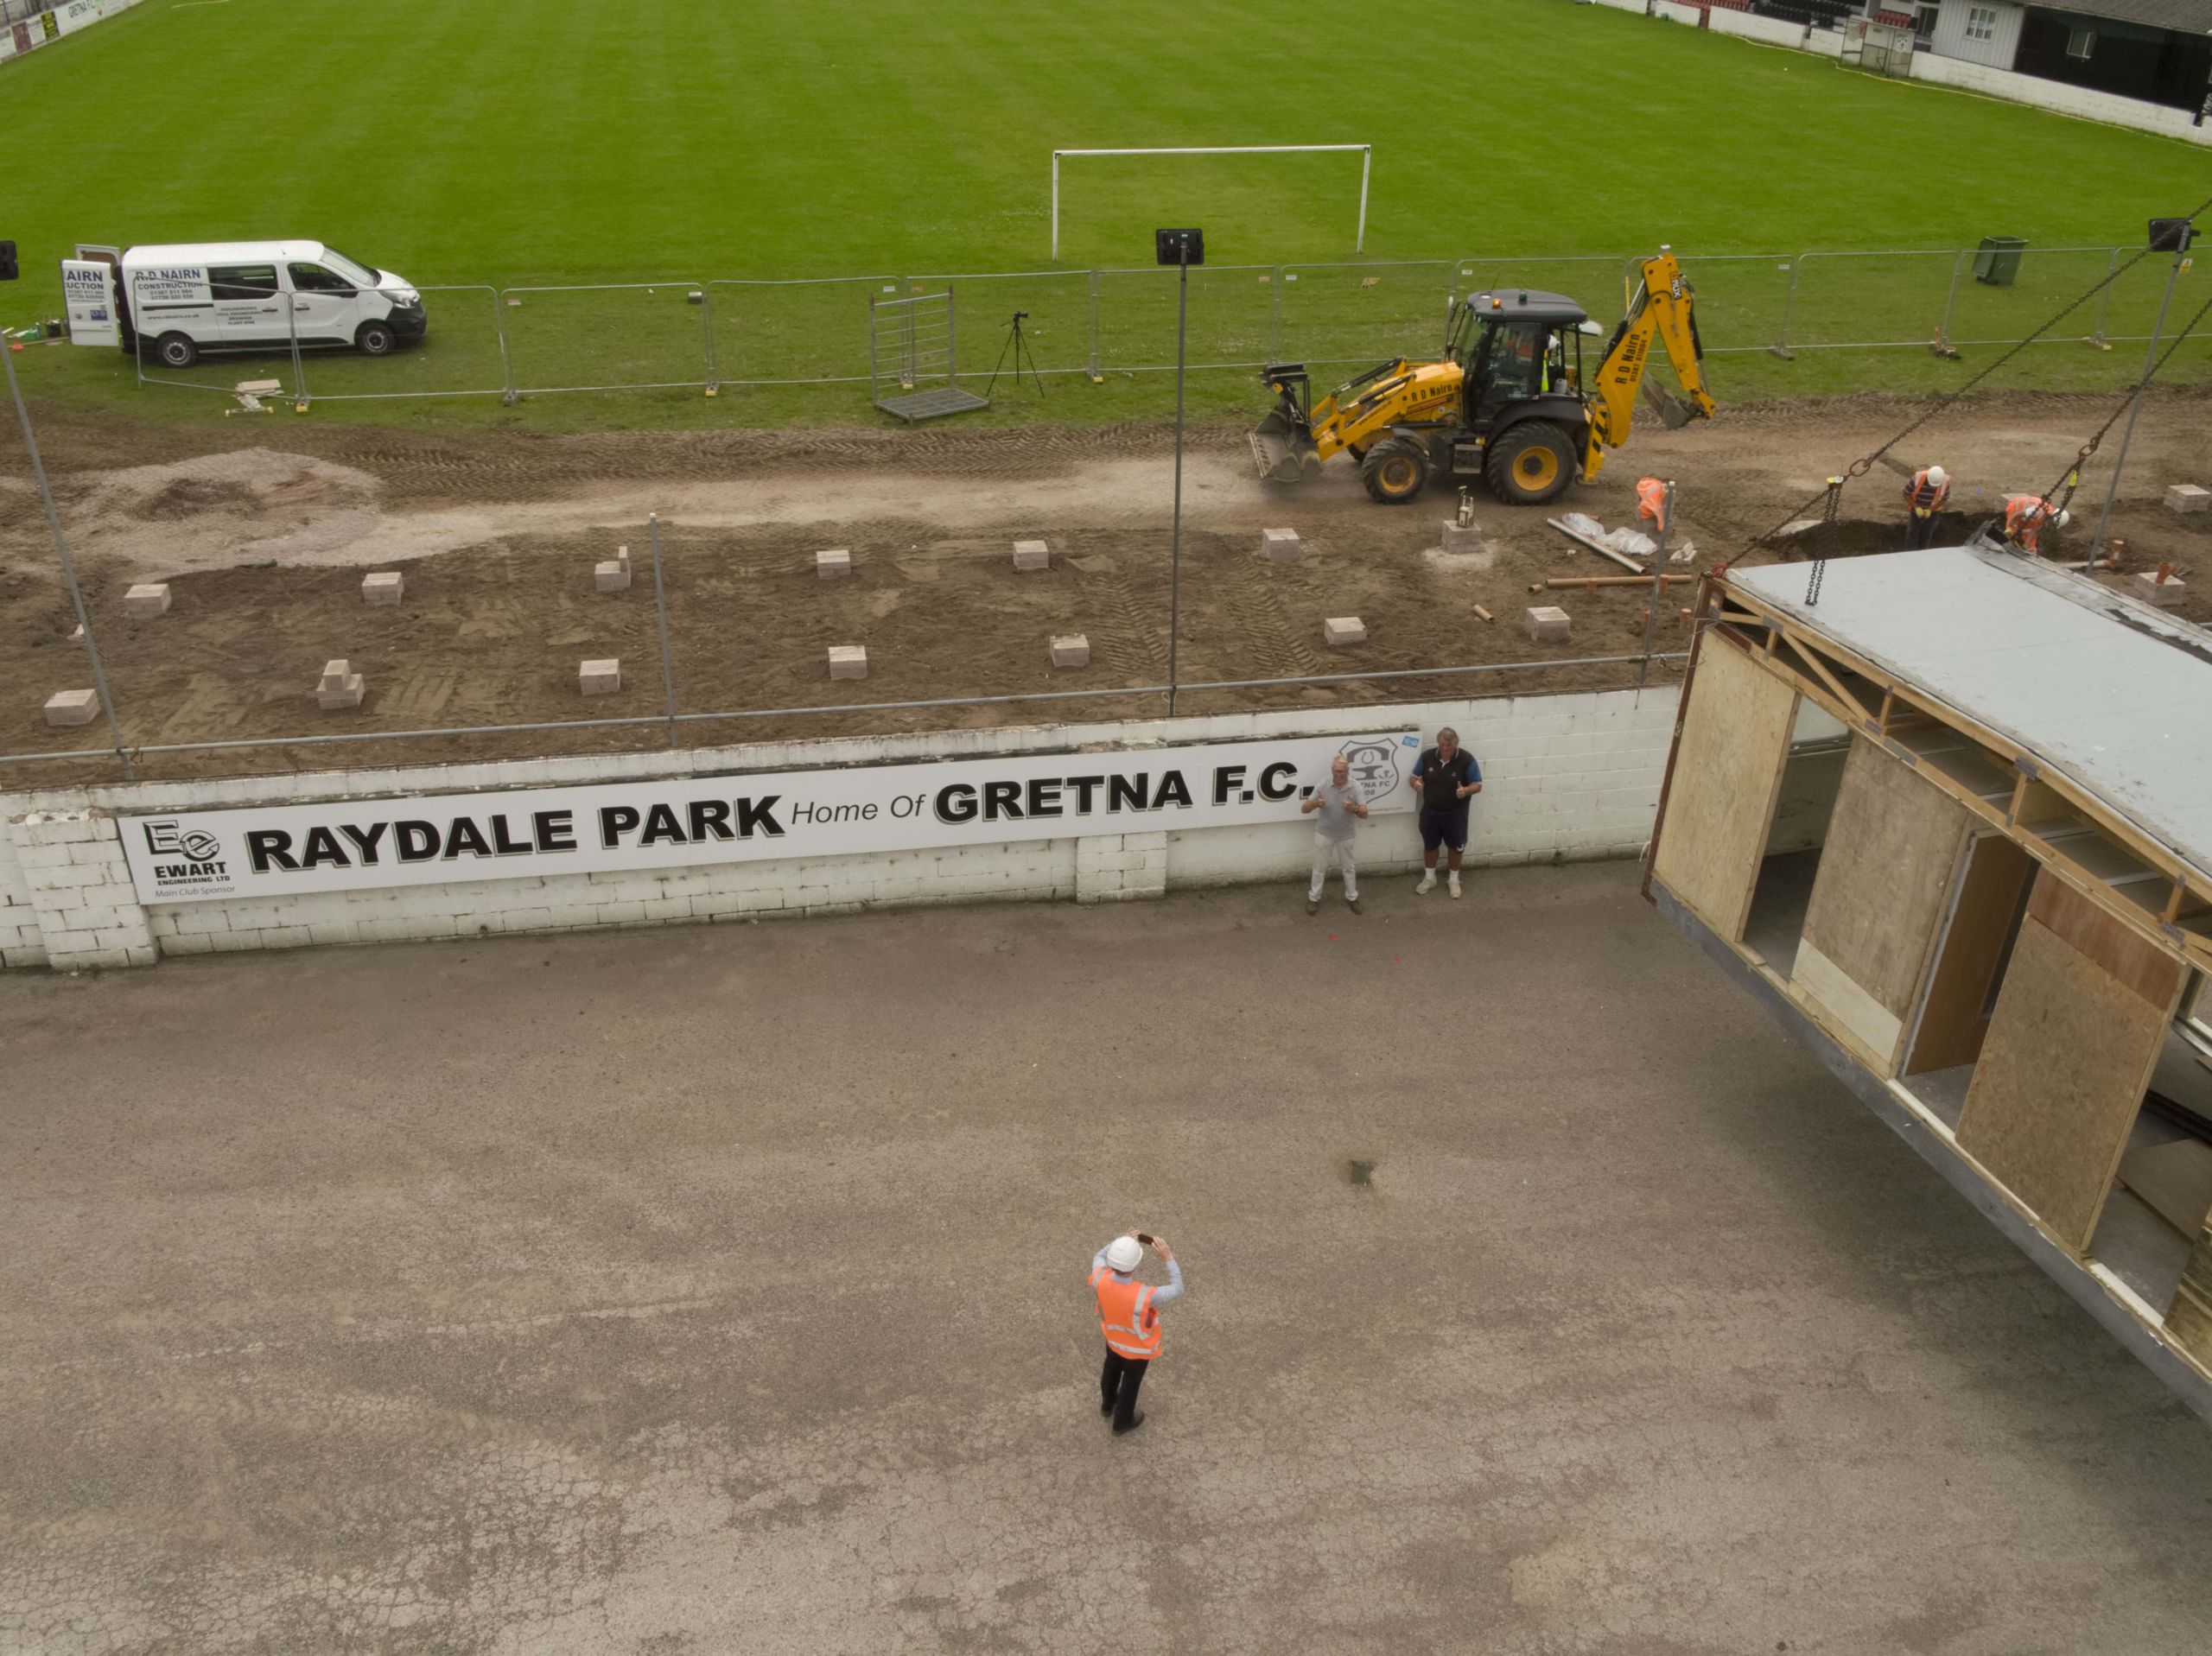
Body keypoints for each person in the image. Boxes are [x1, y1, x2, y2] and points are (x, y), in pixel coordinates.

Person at [1089, 1232, 1184, 1437]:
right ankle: (1122, 1421)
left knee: (1111, 1369)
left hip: (1113, 1340)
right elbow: (1178, 1287)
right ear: (1136, 1264)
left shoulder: (1099, 1277)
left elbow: (1099, 1256)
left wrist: (1119, 1241)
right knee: (1131, 1382)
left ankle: (1107, 1404)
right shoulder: (1146, 1295)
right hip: (1138, 1349)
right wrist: (1168, 1257)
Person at [1410, 726, 1483, 898]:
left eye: (1448, 746)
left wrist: (1465, 790)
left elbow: (1478, 785)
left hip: (1455, 813)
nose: (1444, 748)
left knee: (1456, 847)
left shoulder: (1467, 760)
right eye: (1442, 744)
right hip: (1430, 812)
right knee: (1430, 845)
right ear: (1438, 742)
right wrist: (1416, 784)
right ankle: (1430, 878)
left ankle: (1454, 880)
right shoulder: (1426, 757)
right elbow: (1413, 777)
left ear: (1455, 745)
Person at [1300, 753, 1368, 916]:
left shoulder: (1355, 786)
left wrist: (1354, 809)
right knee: (1319, 868)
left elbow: (1365, 813)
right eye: (1337, 771)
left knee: (1349, 868)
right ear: (1332, 770)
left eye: (1343, 772)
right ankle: (1314, 898)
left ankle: (1352, 898)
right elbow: (1304, 809)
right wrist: (1316, 803)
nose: (1339, 775)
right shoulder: (1323, 784)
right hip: (1324, 833)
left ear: (1348, 771)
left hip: (1346, 834)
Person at [2002, 492, 2068, 555]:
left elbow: (2035, 530)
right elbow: (2016, 515)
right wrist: (2009, 528)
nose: (2051, 525)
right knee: (2012, 536)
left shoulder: (2048, 516)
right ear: (2052, 519)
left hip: (2027, 516)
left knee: (2031, 549)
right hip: (2016, 508)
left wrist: (2026, 544)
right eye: (2053, 524)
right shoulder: (2037, 512)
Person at [1904, 465, 1950, 549]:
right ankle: (1909, 552)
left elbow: (1944, 499)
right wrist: (1916, 507)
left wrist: (1931, 510)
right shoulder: (1918, 478)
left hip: (1934, 511)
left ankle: (1923, 552)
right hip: (1916, 509)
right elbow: (1906, 493)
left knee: (1927, 533)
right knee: (1912, 532)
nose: (1933, 487)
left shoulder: (1945, 482)